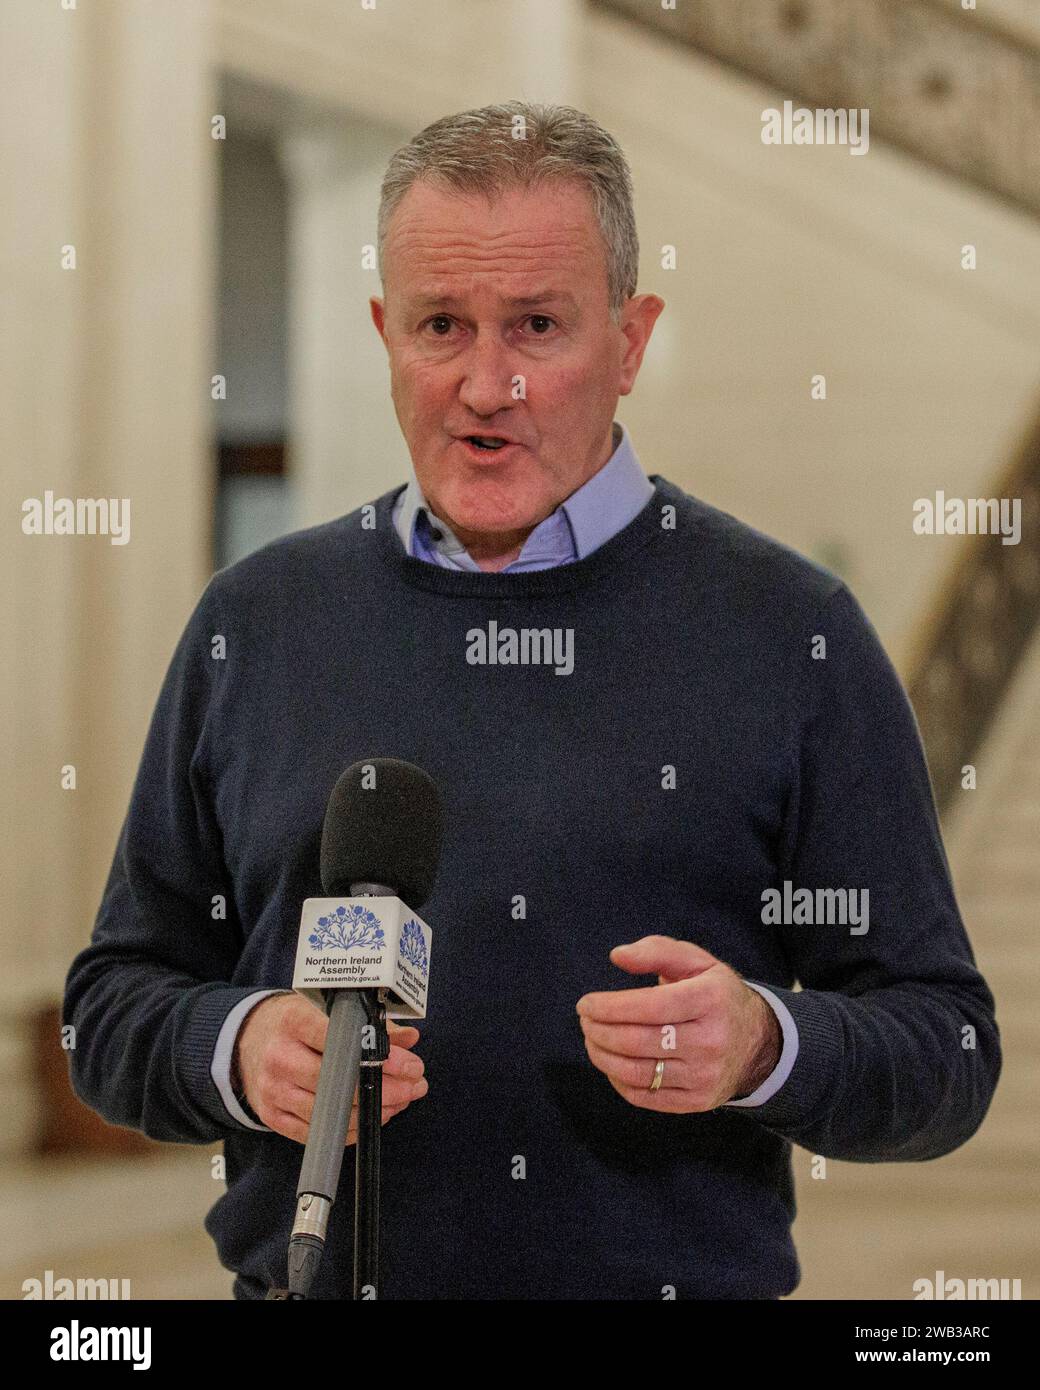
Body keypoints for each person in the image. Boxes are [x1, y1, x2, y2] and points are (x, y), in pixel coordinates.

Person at [64, 101, 1001, 1301]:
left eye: (538, 327)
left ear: (630, 338)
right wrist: (236, 1049)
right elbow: (108, 1006)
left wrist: (769, 1043)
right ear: (382, 333)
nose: (484, 383)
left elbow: (945, 1048)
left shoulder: (789, 633)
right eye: (440, 325)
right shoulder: (255, 621)